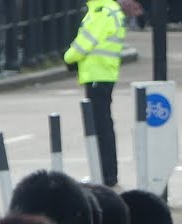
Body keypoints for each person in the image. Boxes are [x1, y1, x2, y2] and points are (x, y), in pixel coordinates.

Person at [64, 0, 126, 188]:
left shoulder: (101, 11)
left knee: (99, 126)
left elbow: (87, 41)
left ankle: (105, 175)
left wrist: (69, 57)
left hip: (97, 74)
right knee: (103, 124)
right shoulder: (110, 9)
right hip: (104, 73)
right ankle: (106, 173)